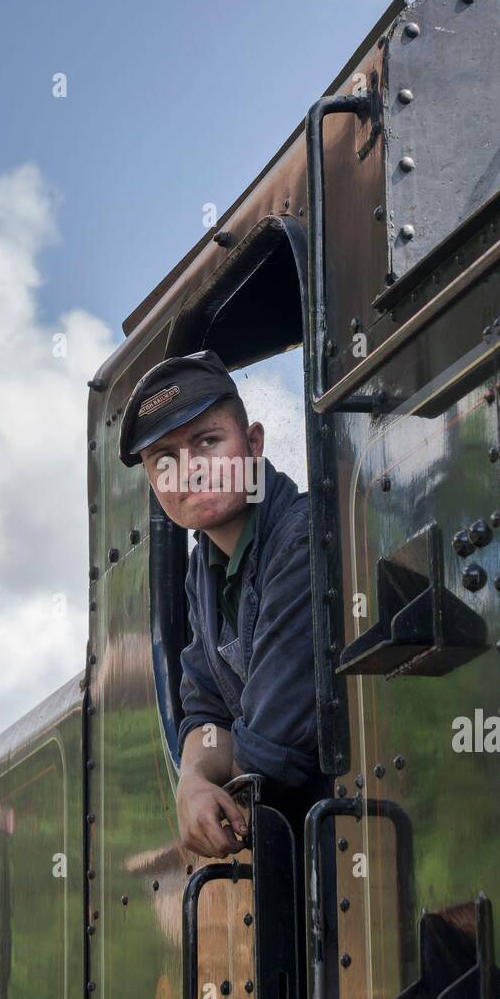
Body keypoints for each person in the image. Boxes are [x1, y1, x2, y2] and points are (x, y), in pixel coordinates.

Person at [119, 349, 326, 859]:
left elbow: (270, 753)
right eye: (164, 460)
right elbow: (207, 711)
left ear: (253, 444)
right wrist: (191, 780)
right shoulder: (204, 569)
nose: (188, 470)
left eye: (207, 442)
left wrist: (216, 773)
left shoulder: (301, 541)